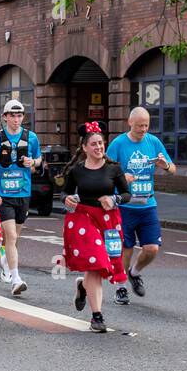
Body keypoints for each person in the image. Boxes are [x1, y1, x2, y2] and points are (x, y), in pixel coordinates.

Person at [62, 121, 132, 333]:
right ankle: (97, 316)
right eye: (94, 144)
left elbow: (127, 194)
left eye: (101, 143)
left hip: (108, 221)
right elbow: (65, 193)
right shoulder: (77, 171)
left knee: (103, 266)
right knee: (96, 262)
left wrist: (115, 199)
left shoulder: (114, 169)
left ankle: (83, 287)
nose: (98, 147)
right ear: (84, 148)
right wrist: (67, 200)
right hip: (83, 220)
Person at [105, 107, 176, 305]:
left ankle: (134, 273)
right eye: (139, 126)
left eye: (146, 125)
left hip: (147, 205)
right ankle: (120, 287)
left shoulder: (153, 142)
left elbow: (173, 168)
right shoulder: (118, 144)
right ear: (130, 123)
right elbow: (104, 173)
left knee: (152, 248)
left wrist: (165, 166)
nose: (143, 129)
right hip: (125, 207)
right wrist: (121, 178)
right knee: (125, 248)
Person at [0, 100, 42, 296]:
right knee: (10, 235)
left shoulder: (31, 138)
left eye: (20, 116)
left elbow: (38, 159)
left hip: (23, 191)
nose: (16, 119)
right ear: (5, 117)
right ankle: (16, 279)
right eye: (13, 116)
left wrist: (32, 162)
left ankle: (4, 257)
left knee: (14, 237)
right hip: (3, 194)